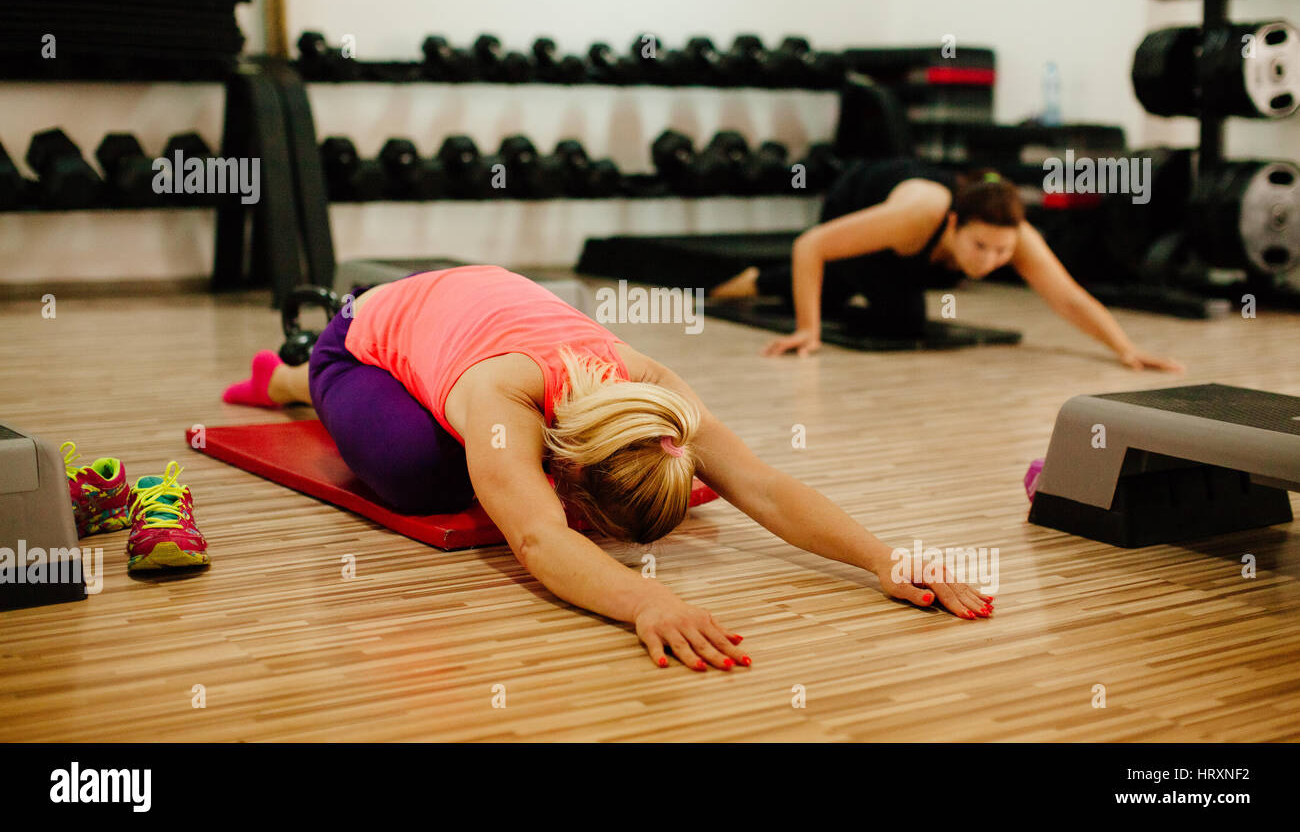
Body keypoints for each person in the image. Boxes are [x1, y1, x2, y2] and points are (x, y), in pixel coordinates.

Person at [223, 265, 994, 671]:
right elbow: (536, 540)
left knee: (674, 479)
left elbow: (759, 484)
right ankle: (291, 376)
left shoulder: (656, 398)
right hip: (372, 329)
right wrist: (645, 601)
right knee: (424, 474)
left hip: (480, 310)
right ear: (566, 472)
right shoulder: (504, 402)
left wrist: (888, 559)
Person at [710, 157, 1185, 370]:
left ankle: (772, 283)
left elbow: (1066, 295)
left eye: (1001, 253)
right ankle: (750, 280)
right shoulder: (919, 215)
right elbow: (809, 245)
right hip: (856, 200)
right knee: (892, 313)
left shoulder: (1013, 235)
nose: (991, 261)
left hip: (905, 250)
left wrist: (1124, 348)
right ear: (955, 223)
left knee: (855, 294)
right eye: (980, 247)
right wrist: (808, 331)